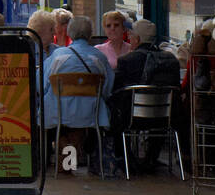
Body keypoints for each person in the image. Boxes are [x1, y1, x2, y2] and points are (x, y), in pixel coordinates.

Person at [43, 16, 114, 174]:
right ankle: (69, 161)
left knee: (60, 121)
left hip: (57, 113)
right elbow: (108, 89)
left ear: (70, 32)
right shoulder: (99, 57)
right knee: (78, 125)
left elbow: (41, 84)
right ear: (90, 34)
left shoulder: (58, 56)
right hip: (90, 114)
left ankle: (66, 161)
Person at [110, 18, 180, 170]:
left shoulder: (127, 60)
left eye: (131, 36)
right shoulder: (171, 60)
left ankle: (125, 158)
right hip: (166, 119)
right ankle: (151, 158)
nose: (129, 38)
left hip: (133, 118)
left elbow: (114, 90)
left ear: (137, 39)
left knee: (114, 110)